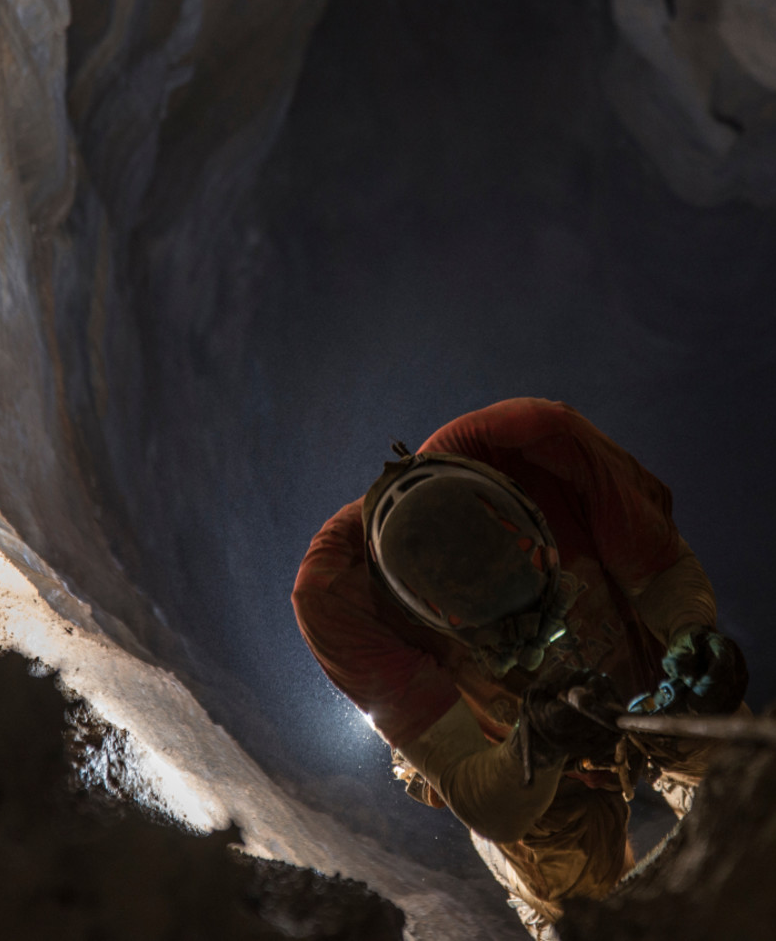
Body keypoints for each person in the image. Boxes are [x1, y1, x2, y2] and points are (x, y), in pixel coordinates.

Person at [292, 399, 747, 937]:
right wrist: (540, 745)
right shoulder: (339, 598)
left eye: (541, 599)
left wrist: (690, 631)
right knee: (574, 896)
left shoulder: (542, 443)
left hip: (647, 677)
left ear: (532, 513)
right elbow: (473, 785)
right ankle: (536, 875)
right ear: (428, 616)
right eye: (506, 635)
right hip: (504, 749)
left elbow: (664, 572)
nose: (541, 643)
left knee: (743, 778)